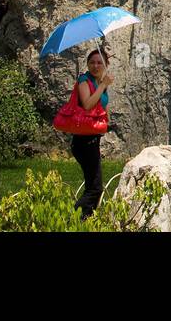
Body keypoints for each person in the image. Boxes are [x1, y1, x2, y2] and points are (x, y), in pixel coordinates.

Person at [72, 49, 112, 218]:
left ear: (105, 66)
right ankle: (77, 219)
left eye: (99, 63)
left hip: (93, 139)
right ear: (87, 64)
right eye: (92, 62)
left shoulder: (98, 83)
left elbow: (102, 108)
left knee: (93, 185)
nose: (95, 66)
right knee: (95, 187)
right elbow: (87, 104)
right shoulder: (84, 80)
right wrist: (103, 85)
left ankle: (86, 219)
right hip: (83, 141)